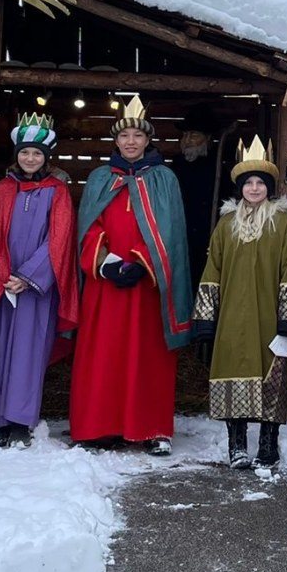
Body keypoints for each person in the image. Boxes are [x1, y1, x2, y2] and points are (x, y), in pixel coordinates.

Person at [72, 95, 194, 454]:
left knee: (148, 358)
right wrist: (107, 262)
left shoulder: (164, 179)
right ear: (115, 140)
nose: (130, 142)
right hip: (106, 284)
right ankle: (101, 426)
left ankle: (152, 429)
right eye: (124, 136)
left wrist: (142, 263)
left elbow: (170, 231)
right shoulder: (99, 179)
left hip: (147, 285)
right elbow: (88, 227)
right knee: (104, 356)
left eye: (137, 136)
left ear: (147, 140)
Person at [194, 139, 287, 469]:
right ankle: (237, 442)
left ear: (269, 188)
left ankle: (269, 442)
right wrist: (206, 319)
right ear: (241, 187)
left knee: (270, 374)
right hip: (230, 316)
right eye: (249, 183)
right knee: (233, 371)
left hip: (269, 315)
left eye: (260, 183)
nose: (255, 188)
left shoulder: (282, 223)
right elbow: (211, 270)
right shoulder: (226, 225)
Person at [0, 112, 79, 447]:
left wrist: (27, 276)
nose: (30, 159)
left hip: (35, 288)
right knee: (3, 349)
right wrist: (2, 275)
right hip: (2, 286)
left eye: (37, 154)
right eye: (25, 153)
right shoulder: (1, 191)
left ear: (46, 158)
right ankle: (3, 419)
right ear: (16, 154)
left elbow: (59, 240)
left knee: (29, 352)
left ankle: (21, 421)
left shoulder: (57, 192)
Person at [170, 104, 222, 280]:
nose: (187, 140)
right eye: (185, 135)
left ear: (208, 138)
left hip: (207, 238)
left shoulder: (219, 168)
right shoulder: (174, 168)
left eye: (193, 135)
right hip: (179, 238)